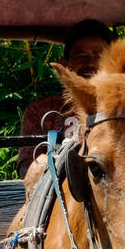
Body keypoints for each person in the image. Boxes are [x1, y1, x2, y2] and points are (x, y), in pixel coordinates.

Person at [18, 19, 113, 174]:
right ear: (65, 65)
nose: (90, 63)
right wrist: (46, 165)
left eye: (99, 56)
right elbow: (26, 168)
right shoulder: (40, 111)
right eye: (81, 56)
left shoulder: (124, 110)